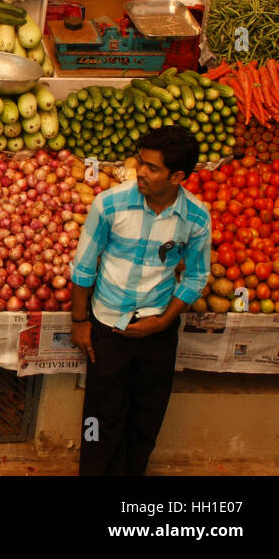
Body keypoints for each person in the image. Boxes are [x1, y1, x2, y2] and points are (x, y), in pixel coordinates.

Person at [70, 125, 211, 476]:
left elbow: (196, 276)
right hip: (108, 327)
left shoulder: (195, 217)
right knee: (99, 420)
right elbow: (84, 266)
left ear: (177, 176)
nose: (141, 173)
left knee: (147, 418)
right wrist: (80, 321)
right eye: (141, 163)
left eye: (152, 168)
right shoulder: (110, 203)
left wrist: (165, 321)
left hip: (158, 332)